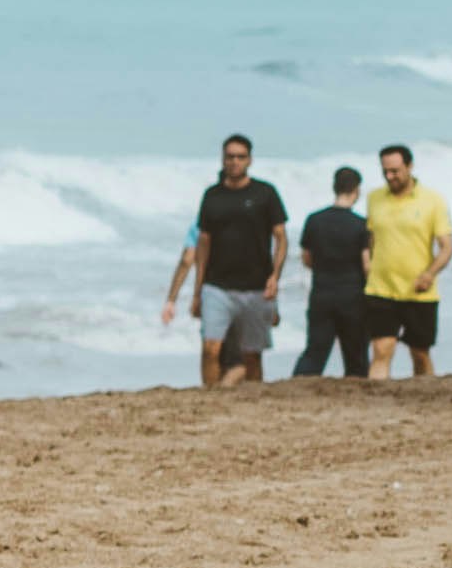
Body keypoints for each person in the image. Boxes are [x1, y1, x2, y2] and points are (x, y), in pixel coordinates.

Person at [161, 134, 289, 387]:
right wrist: (197, 291)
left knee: (251, 356)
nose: (234, 162)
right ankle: (209, 399)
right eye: (230, 157)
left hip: (255, 288)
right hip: (217, 286)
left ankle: (255, 400)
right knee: (210, 348)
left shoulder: (265, 193)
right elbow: (201, 245)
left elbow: (281, 238)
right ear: (222, 159)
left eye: (240, 157)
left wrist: (275, 277)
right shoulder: (212, 196)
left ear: (250, 160)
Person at [359, 136, 452, 380]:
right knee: (381, 349)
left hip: (419, 291)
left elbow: (446, 247)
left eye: (395, 171)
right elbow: (371, 239)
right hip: (381, 288)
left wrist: (430, 274)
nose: (390, 177)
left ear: (409, 167)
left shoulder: (433, 200)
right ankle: (377, 403)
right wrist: (367, 264)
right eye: (385, 171)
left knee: (419, 353)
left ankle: (425, 400)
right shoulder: (374, 198)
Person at [294, 163, 376, 379]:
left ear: (335, 187)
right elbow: (367, 264)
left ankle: (297, 389)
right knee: (356, 357)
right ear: (356, 190)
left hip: (322, 292)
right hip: (353, 295)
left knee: (315, 352)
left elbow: (306, 258)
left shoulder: (315, 220)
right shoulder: (361, 224)